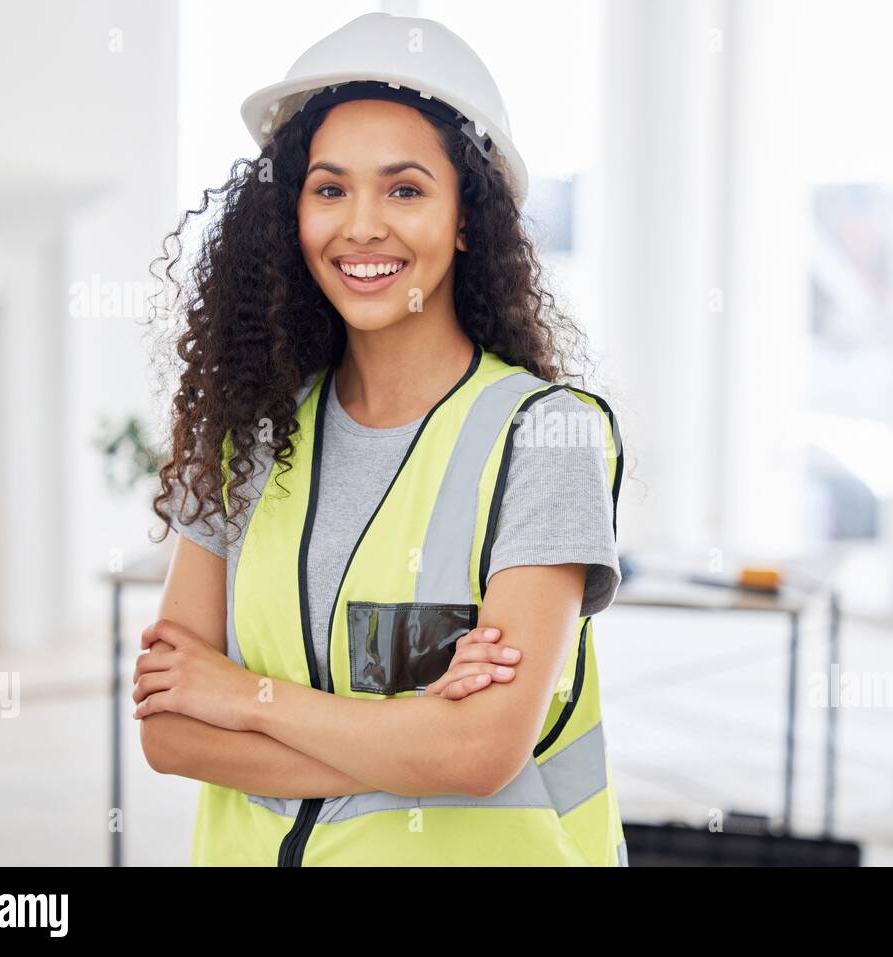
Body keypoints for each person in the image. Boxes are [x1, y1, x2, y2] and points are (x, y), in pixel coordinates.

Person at [135, 11, 628, 866]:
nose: (361, 226)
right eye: (329, 189)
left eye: (405, 189)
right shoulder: (248, 435)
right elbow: (171, 732)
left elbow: (479, 753)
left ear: (467, 218)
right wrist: (411, 734)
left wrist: (241, 695)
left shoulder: (544, 438)